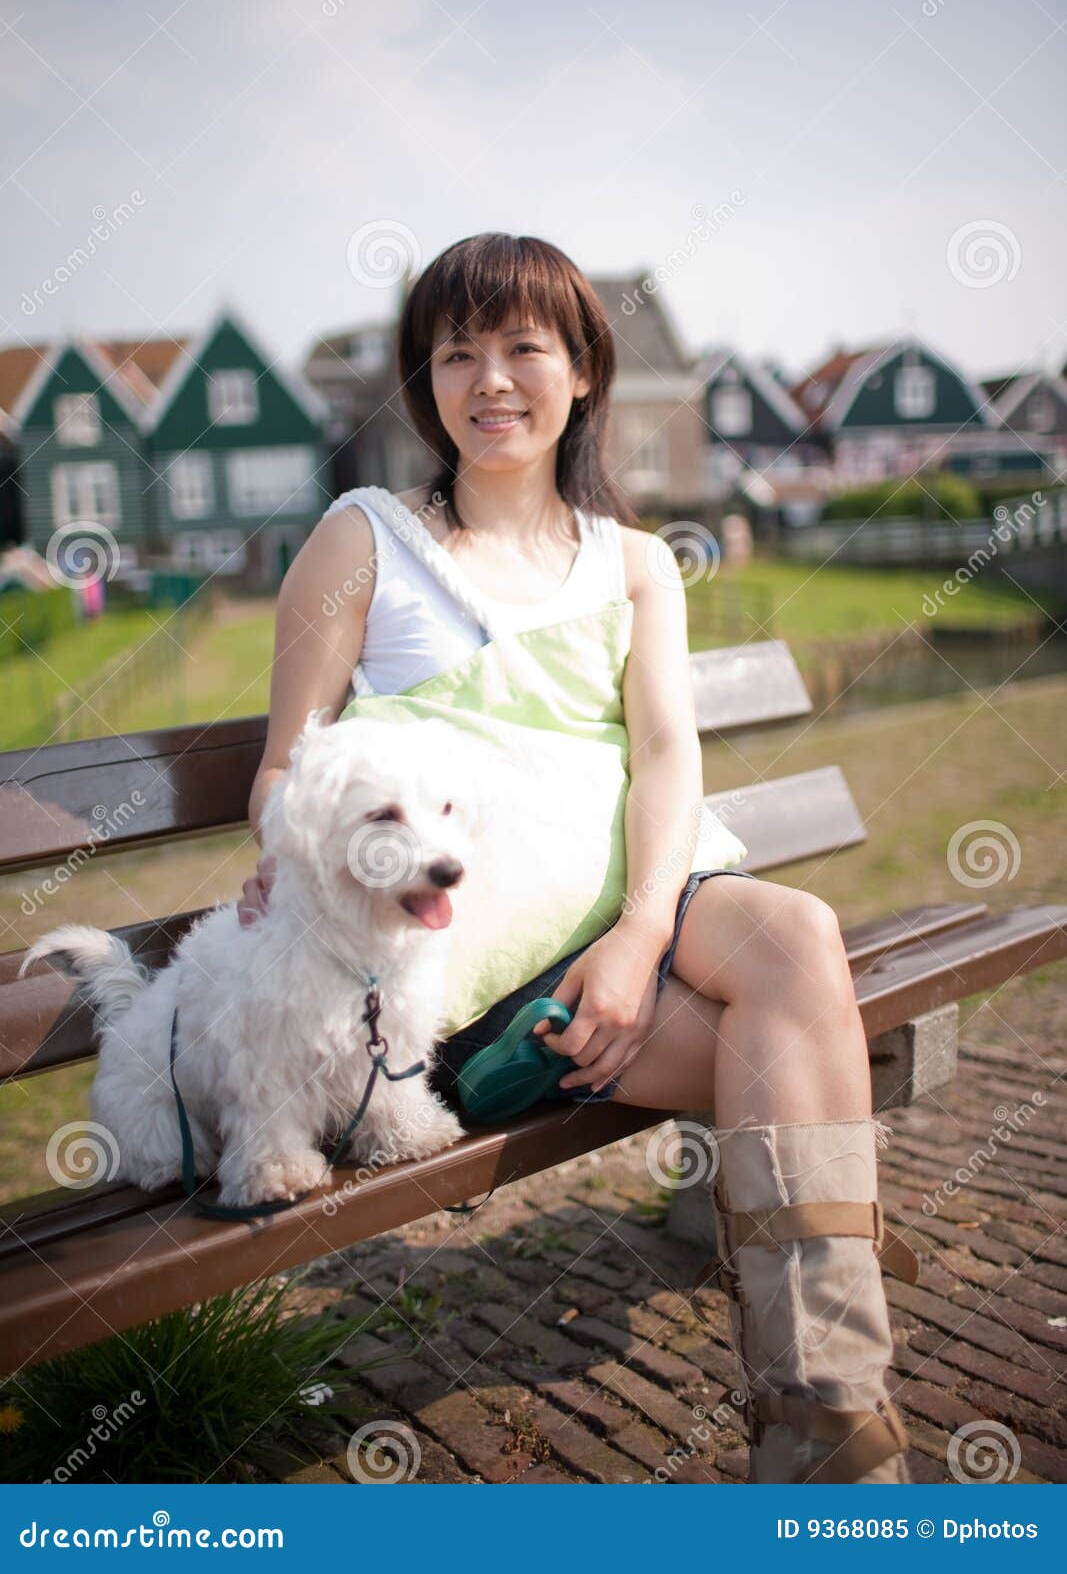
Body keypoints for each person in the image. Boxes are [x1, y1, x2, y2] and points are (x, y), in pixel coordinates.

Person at [237, 232, 911, 1484]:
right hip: (468, 971)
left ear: (584, 371)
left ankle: (826, 1433)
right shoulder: (364, 541)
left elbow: (663, 760)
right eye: (455, 354)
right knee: (802, 1066)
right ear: (424, 382)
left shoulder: (635, 563)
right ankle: (834, 1446)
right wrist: (287, 855)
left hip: (633, 911)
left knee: (797, 938)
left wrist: (638, 939)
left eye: (522, 347)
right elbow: (286, 768)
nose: (490, 379)